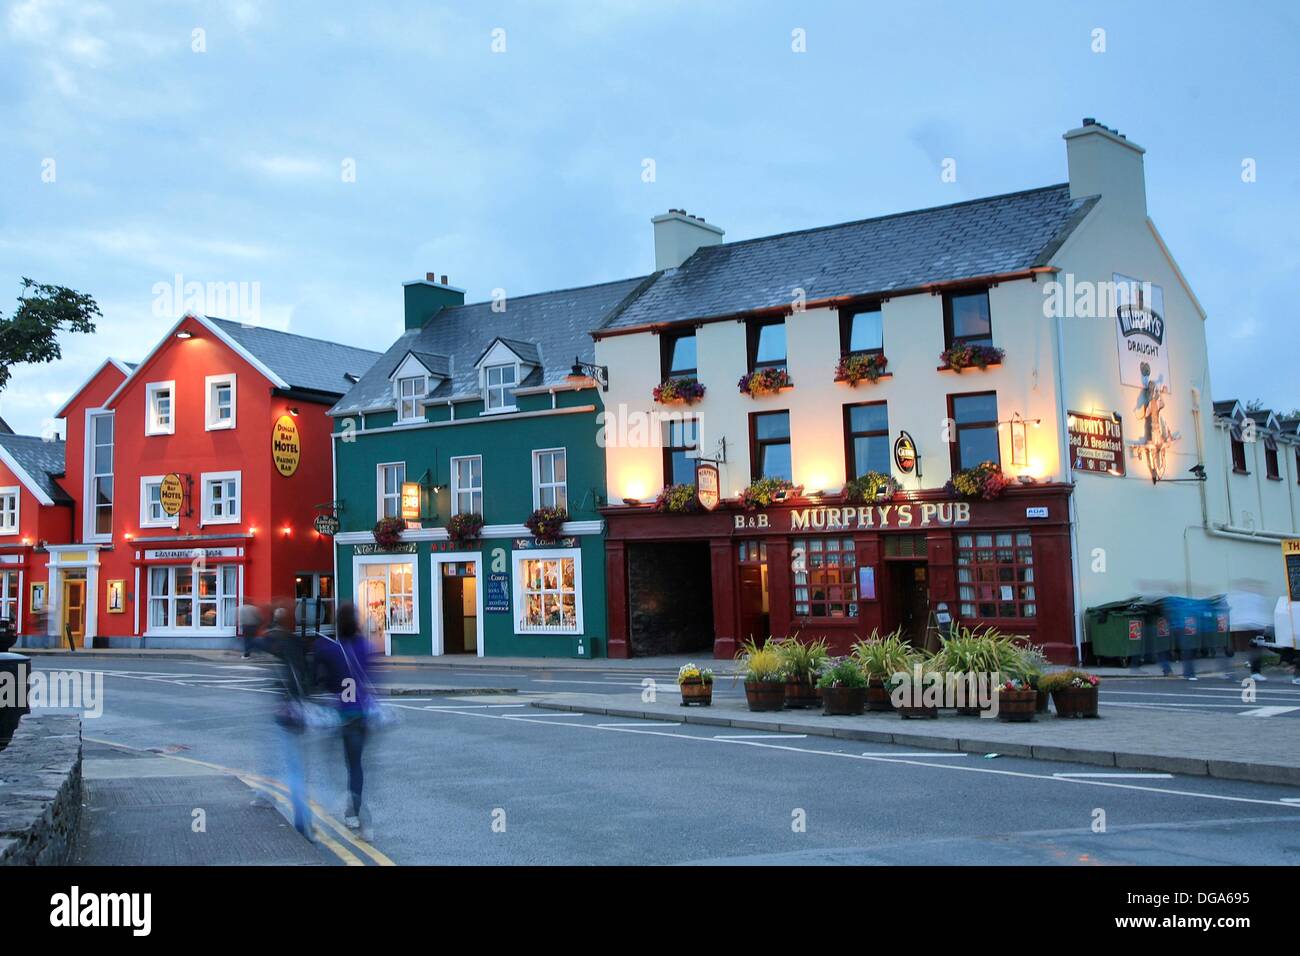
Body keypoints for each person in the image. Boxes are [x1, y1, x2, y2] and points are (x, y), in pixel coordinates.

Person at [252, 606, 314, 839]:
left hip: (282, 708)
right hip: (299, 708)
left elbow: (252, 646)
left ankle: (271, 798)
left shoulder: (271, 641)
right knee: (295, 763)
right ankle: (299, 817)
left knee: (284, 759)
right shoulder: (298, 644)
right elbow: (311, 676)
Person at [314, 603, 373, 832]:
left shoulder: (329, 648)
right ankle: (353, 813)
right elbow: (370, 679)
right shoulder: (365, 647)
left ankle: (327, 803)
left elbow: (322, 681)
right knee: (356, 766)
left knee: (328, 762)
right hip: (361, 714)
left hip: (340, 714)